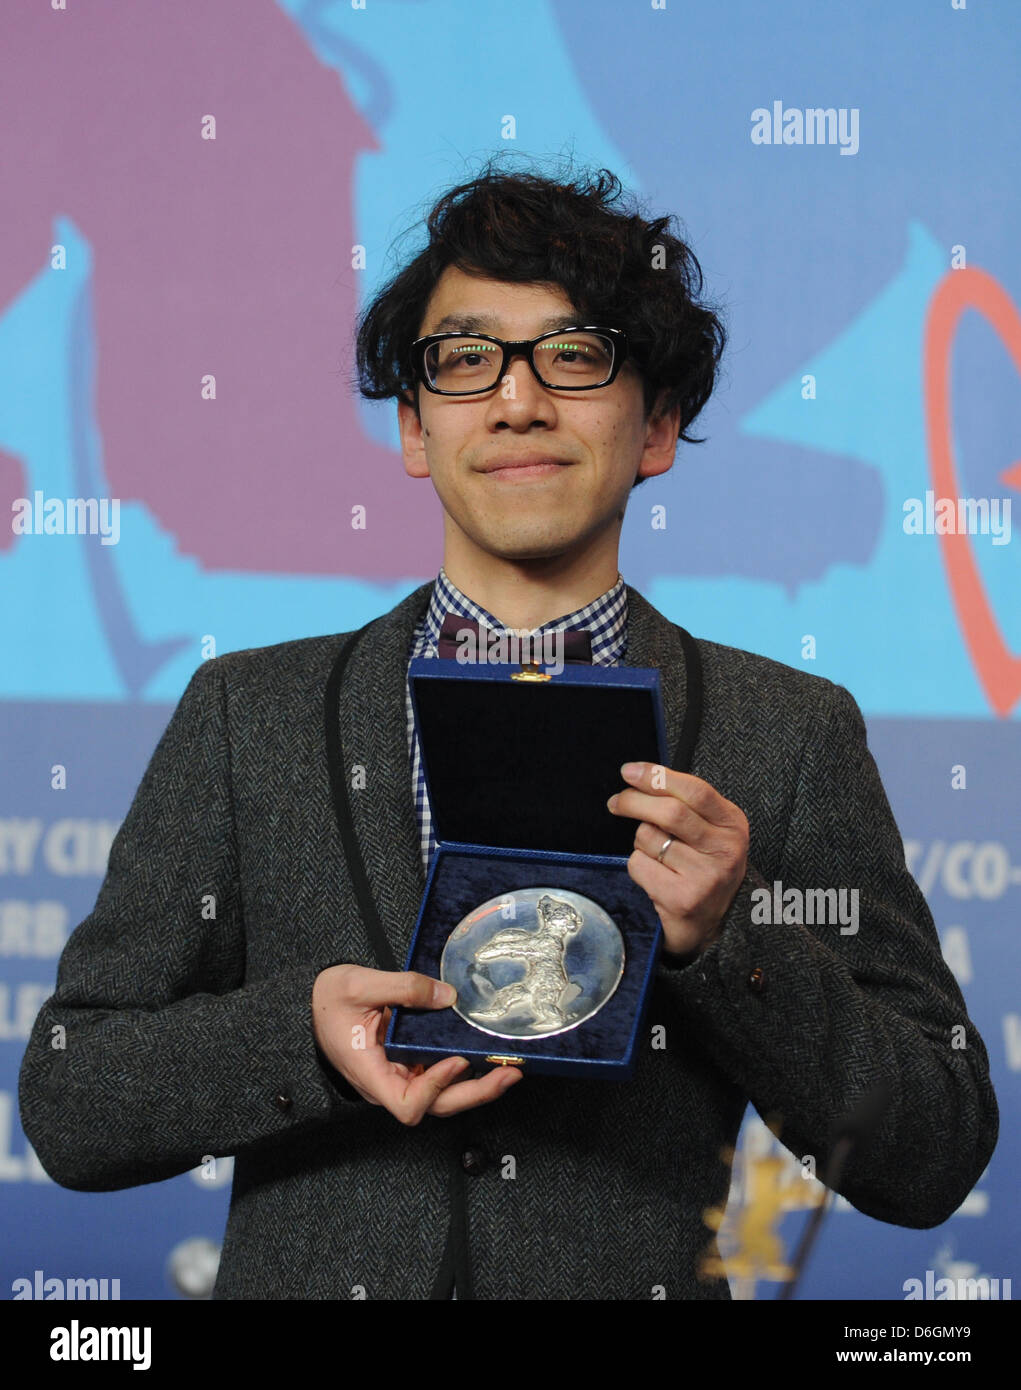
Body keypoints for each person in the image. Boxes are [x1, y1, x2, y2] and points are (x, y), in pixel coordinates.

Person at [18, 160, 998, 1301]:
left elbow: (930, 1149)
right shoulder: (249, 713)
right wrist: (302, 1039)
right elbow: (70, 1097)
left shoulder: (787, 733)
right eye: (466, 358)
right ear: (415, 429)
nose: (517, 400)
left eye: (574, 357)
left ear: (659, 426)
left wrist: (728, 947)